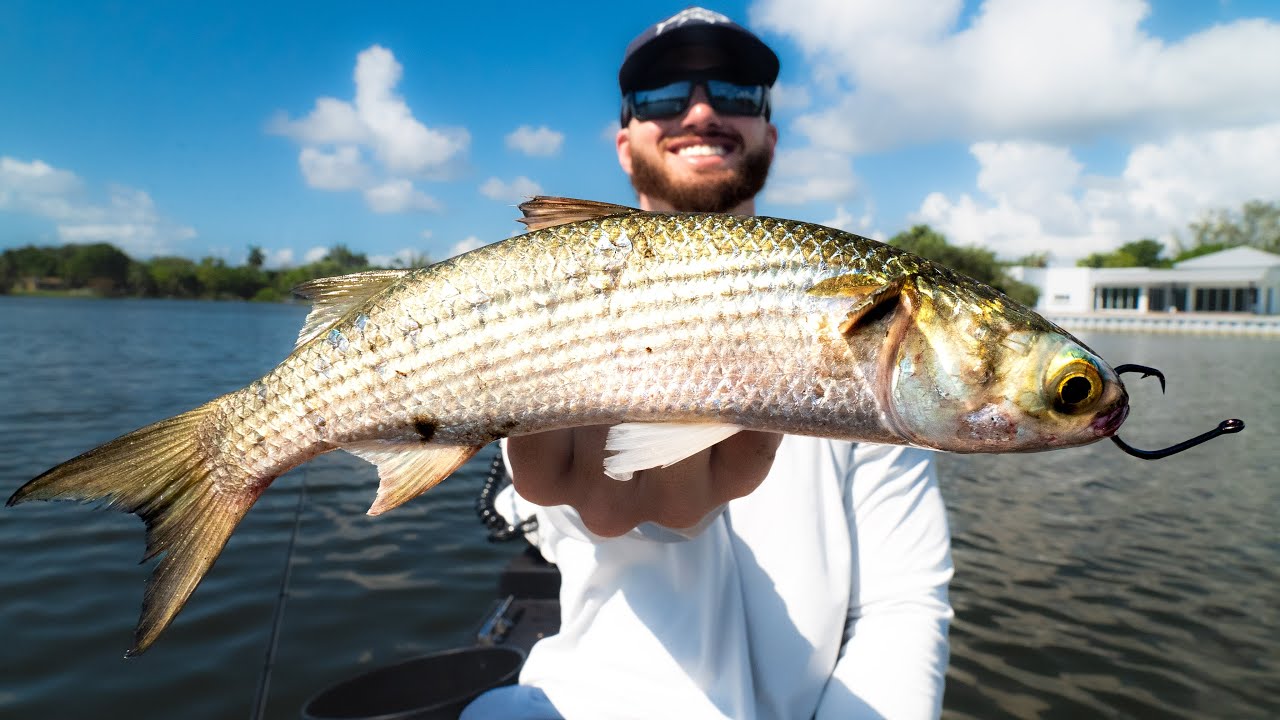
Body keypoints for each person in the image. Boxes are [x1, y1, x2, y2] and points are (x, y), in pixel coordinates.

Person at [462, 8, 953, 719]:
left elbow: (902, 600)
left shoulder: (873, 328)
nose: (700, 110)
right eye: (663, 95)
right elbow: (571, 503)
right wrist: (641, 521)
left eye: (734, 92)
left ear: (770, 134)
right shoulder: (541, 301)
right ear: (624, 143)